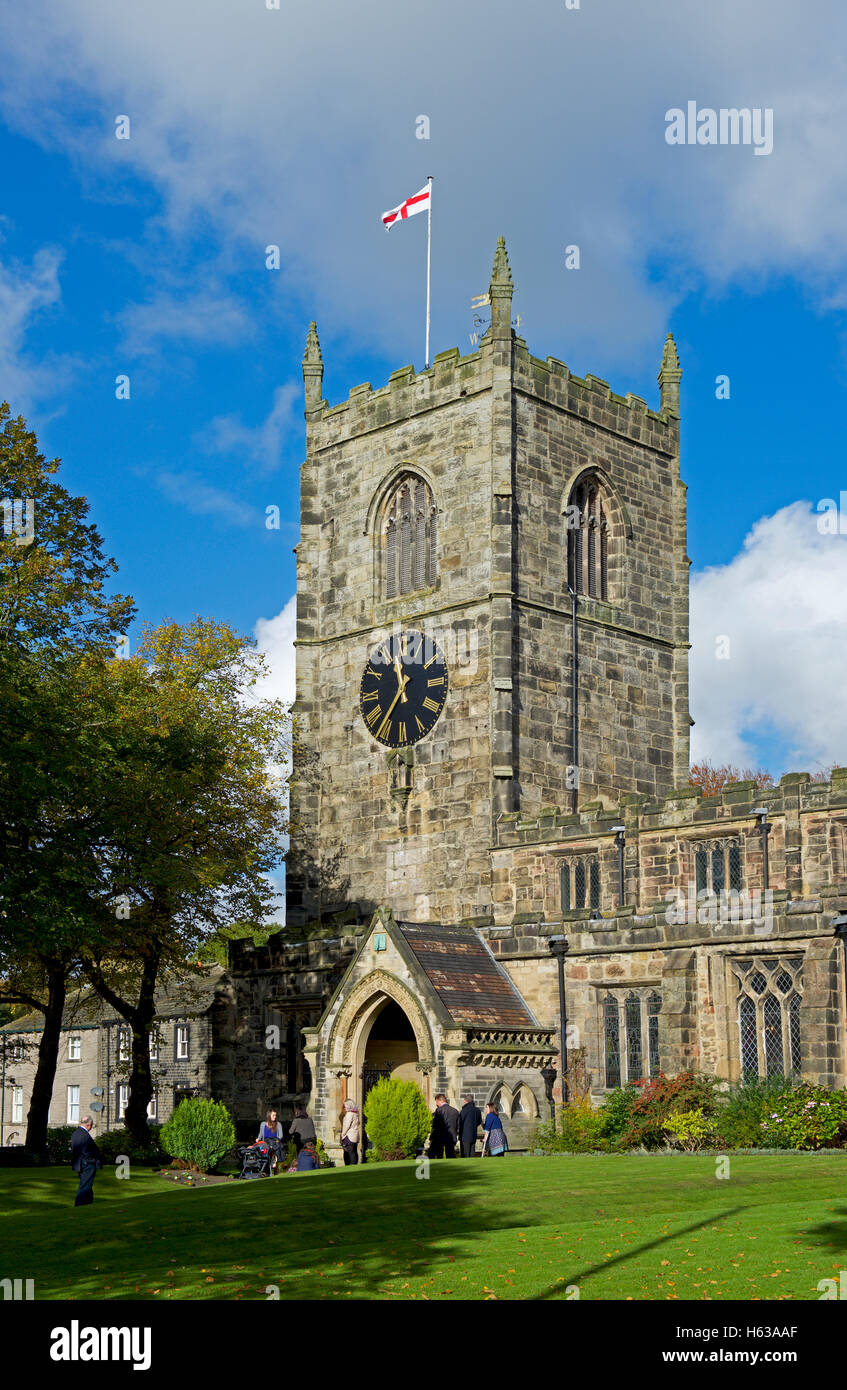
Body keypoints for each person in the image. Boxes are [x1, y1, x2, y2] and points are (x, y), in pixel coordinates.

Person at [70, 1115, 102, 1206]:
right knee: (85, 1185)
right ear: (89, 1124)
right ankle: (80, 1204)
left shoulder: (75, 1133)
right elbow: (87, 1152)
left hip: (79, 1163)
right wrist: (94, 1160)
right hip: (87, 1163)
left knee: (87, 1184)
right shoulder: (85, 1135)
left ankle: (88, 1202)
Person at [430, 1094, 459, 1159]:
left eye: (437, 1102)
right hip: (452, 1135)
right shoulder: (455, 1111)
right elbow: (458, 1124)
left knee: (439, 1154)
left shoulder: (439, 1110)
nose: (436, 1104)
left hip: (440, 1136)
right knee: (450, 1154)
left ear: (440, 1101)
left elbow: (435, 1124)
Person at [341, 1099, 360, 1165]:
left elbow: (347, 1125)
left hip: (349, 1136)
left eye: (345, 1106)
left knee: (349, 1153)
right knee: (354, 1151)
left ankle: (350, 1166)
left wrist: (343, 1133)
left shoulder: (349, 1114)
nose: (344, 1107)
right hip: (355, 1136)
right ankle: (354, 1165)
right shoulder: (356, 1114)